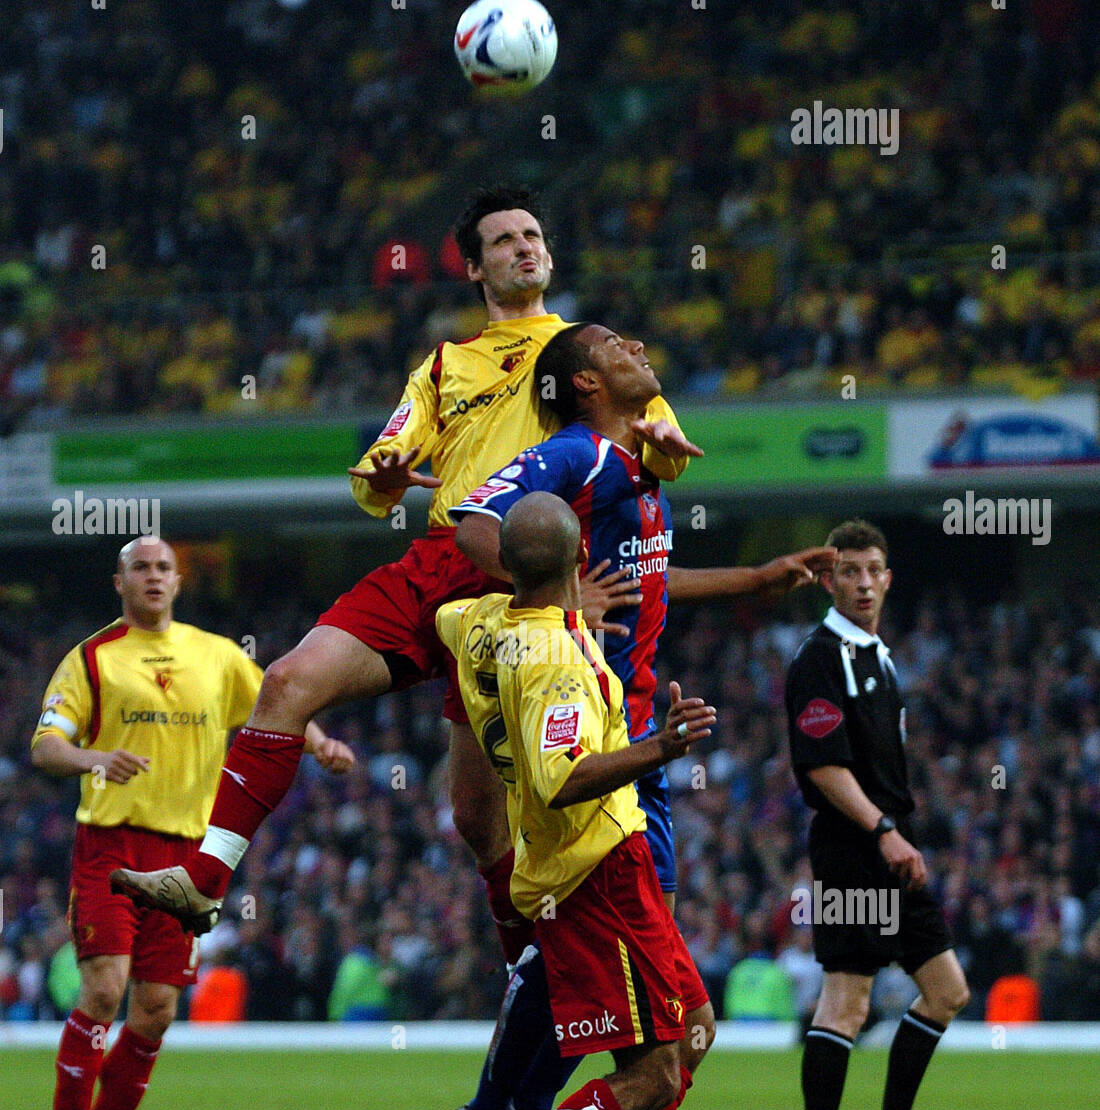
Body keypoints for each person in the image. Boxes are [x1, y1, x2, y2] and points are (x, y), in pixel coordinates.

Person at [109, 188, 693, 962]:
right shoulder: (445, 365)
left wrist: (656, 445)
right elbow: (374, 476)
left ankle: (530, 960)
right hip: (435, 560)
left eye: (532, 234)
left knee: (479, 818)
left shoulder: (586, 351)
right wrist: (384, 474)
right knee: (285, 683)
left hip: (513, 584)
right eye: (504, 240)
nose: (524, 247)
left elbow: (658, 453)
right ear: (476, 268)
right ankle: (206, 877)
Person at [433, 321, 834, 1110]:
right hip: (599, 744)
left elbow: (649, 581)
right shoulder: (574, 456)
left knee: (623, 964)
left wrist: (759, 579)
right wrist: (555, 601)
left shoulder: (634, 475)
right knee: (626, 963)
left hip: (636, 741)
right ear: (583, 383)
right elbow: (472, 524)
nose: (639, 345)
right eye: (615, 344)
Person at [432, 492, 716, 1110]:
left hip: (585, 869)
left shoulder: (481, 624)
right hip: (597, 871)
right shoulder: (553, 657)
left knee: (691, 1030)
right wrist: (657, 747)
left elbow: (448, 616)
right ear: (580, 554)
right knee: (660, 1071)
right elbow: (561, 779)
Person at [32, 537, 352, 1110]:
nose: (152, 577)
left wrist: (319, 741)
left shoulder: (218, 656)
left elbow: (276, 706)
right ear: (118, 582)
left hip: (189, 860)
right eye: (140, 568)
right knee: (105, 987)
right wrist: (92, 759)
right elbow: (47, 744)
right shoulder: (91, 659)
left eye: (162, 568)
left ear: (179, 581)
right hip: (111, 847)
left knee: (153, 1013)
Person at [784, 519, 970, 1110]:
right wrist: (885, 828)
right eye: (850, 571)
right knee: (847, 1002)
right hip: (851, 849)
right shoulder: (819, 658)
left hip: (894, 847)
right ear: (830, 579)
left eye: (873, 570)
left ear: (888, 577)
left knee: (947, 990)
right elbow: (825, 768)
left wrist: (897, 834)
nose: (863, 583)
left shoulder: (878, 656)